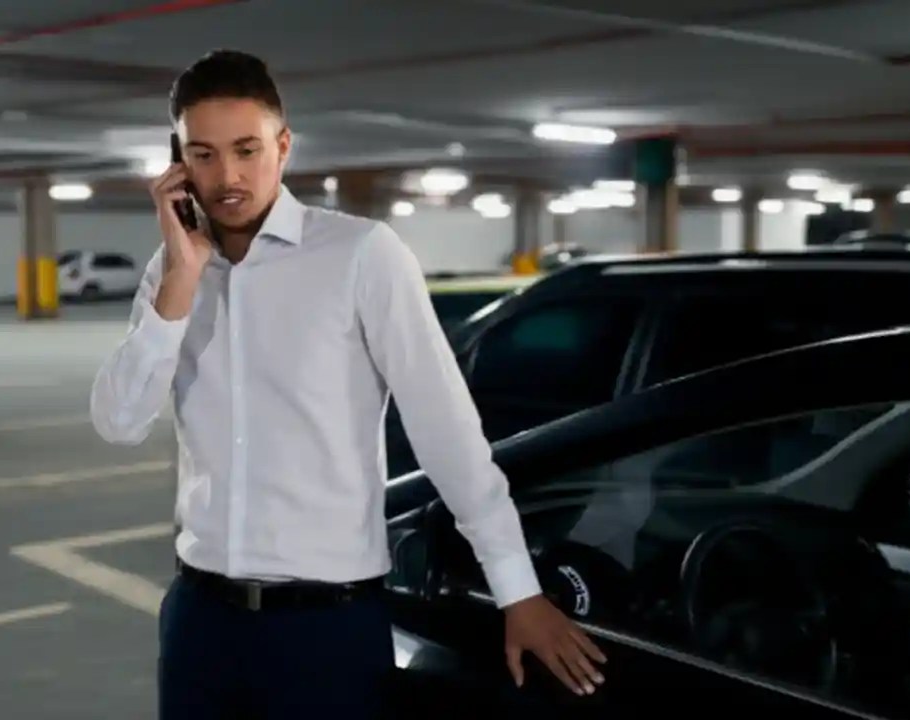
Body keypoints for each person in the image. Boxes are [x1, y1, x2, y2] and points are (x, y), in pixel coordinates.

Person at [90, 49, 607, 719]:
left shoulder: (362, 255)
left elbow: (446, 432)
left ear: (283, 145)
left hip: (327, 630)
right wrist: (181, 283)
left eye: (247, 149)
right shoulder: (172, 270)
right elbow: (120, 422)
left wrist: (518, 590)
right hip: (200, 623)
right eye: (205, 155)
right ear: (177, 161)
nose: (228, 176)